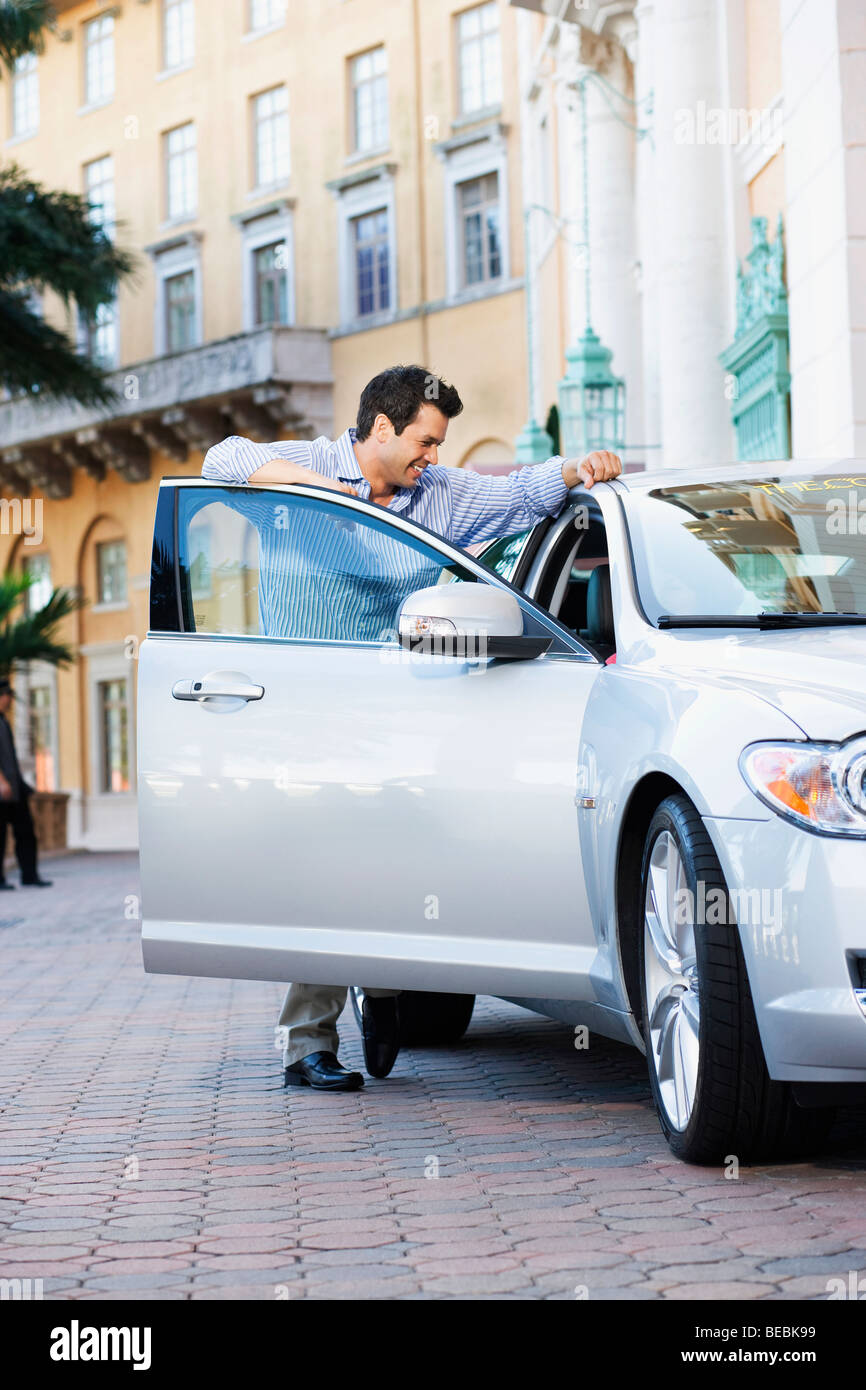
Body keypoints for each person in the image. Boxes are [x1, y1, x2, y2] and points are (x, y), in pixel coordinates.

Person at [202, 364, 622, 1092]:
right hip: (311, 711)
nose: (434, 454)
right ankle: (309, 1043)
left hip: (404, 715)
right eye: (426, 440)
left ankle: (387, 988)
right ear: (383, 426)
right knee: (326, 874)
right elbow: (221, 459)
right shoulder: (303, 466)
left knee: (402, 861)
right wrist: (312, 492)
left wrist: (578, 468)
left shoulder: (441, 494)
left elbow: (521, 491)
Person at [0, 678, 52, 889]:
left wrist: (21, 784)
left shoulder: (4, 721)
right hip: (2, 788)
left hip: (15, 788)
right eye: (8, 696)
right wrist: (2, 781)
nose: (10, 700)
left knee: (26, 831)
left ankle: (29, 875)